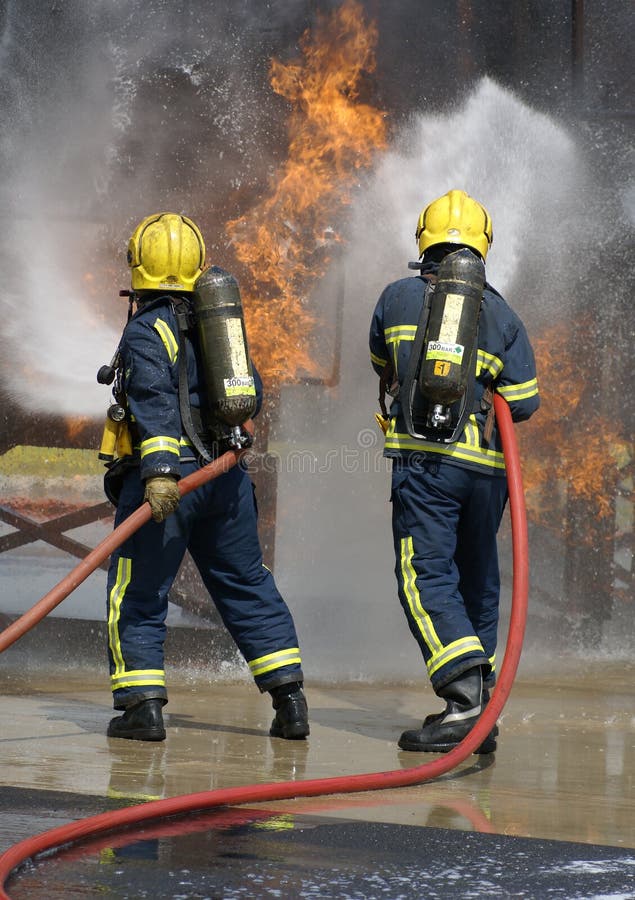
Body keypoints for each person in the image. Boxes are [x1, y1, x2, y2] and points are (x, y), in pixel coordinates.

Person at [101, 212, 309, 742]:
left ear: (139, 272)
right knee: (246, 583)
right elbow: (252, 394)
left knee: (136, 589)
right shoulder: (221, 327)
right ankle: (291, 702)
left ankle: (141, 709)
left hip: (172, 487)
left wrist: (161, 473)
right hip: (227, 480)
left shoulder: (147, 330)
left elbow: (153, 406)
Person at [369, 189, 539, 753]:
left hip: (426, 465)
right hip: (488, 474)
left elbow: (381, 362)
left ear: (424, 240)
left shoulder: (396, 299)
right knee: (478, 579)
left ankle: (463, 699)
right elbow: (526, 401)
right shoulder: (503, 312)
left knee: (426, 575)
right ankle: (481, 705)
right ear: (483, 246)